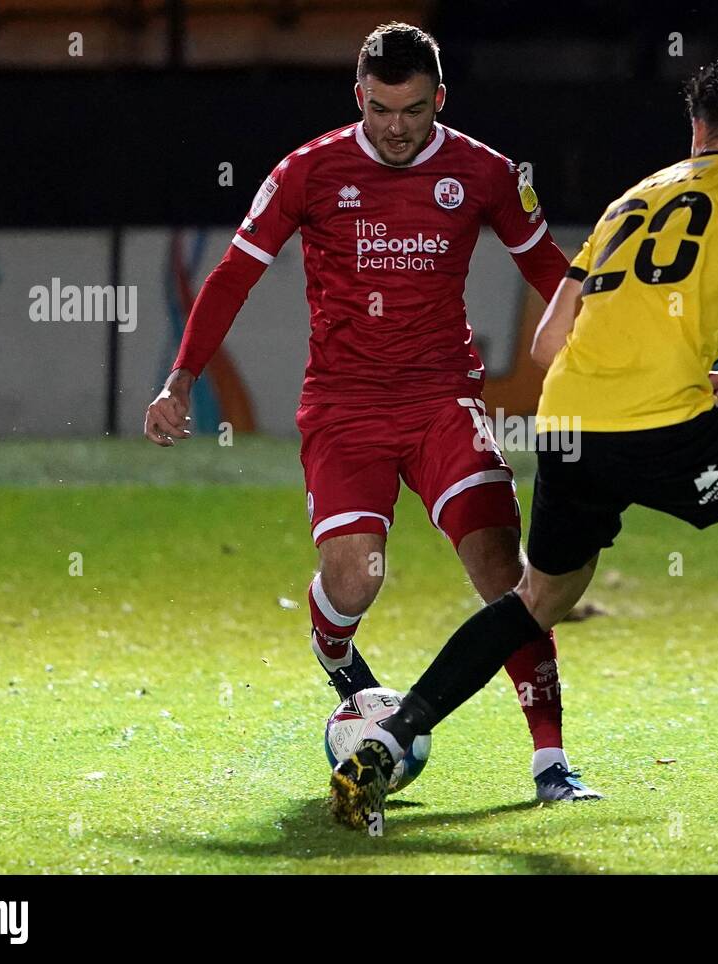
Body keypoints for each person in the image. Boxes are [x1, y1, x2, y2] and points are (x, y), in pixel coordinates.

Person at [328, 54, 718, 837]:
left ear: (696, 132)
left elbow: (548, 341)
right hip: (663, 428)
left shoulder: (633, 199)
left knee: (538, 598)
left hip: (568, 422)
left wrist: (678, 365)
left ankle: (390, 739)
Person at [144, 22, 600, 802]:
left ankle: (551, 762)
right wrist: (181, 377)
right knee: (354, 582)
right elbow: (230, 275)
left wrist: (631, 358)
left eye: (414, 111)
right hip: (345, 406)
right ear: (360, 97)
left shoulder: (484, 174)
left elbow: (554, 275)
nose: (396, 127)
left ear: (439, 100)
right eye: (383, 110)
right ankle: (332, 642)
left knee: (504, 573)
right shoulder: (309, 171)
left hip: (443, 402)